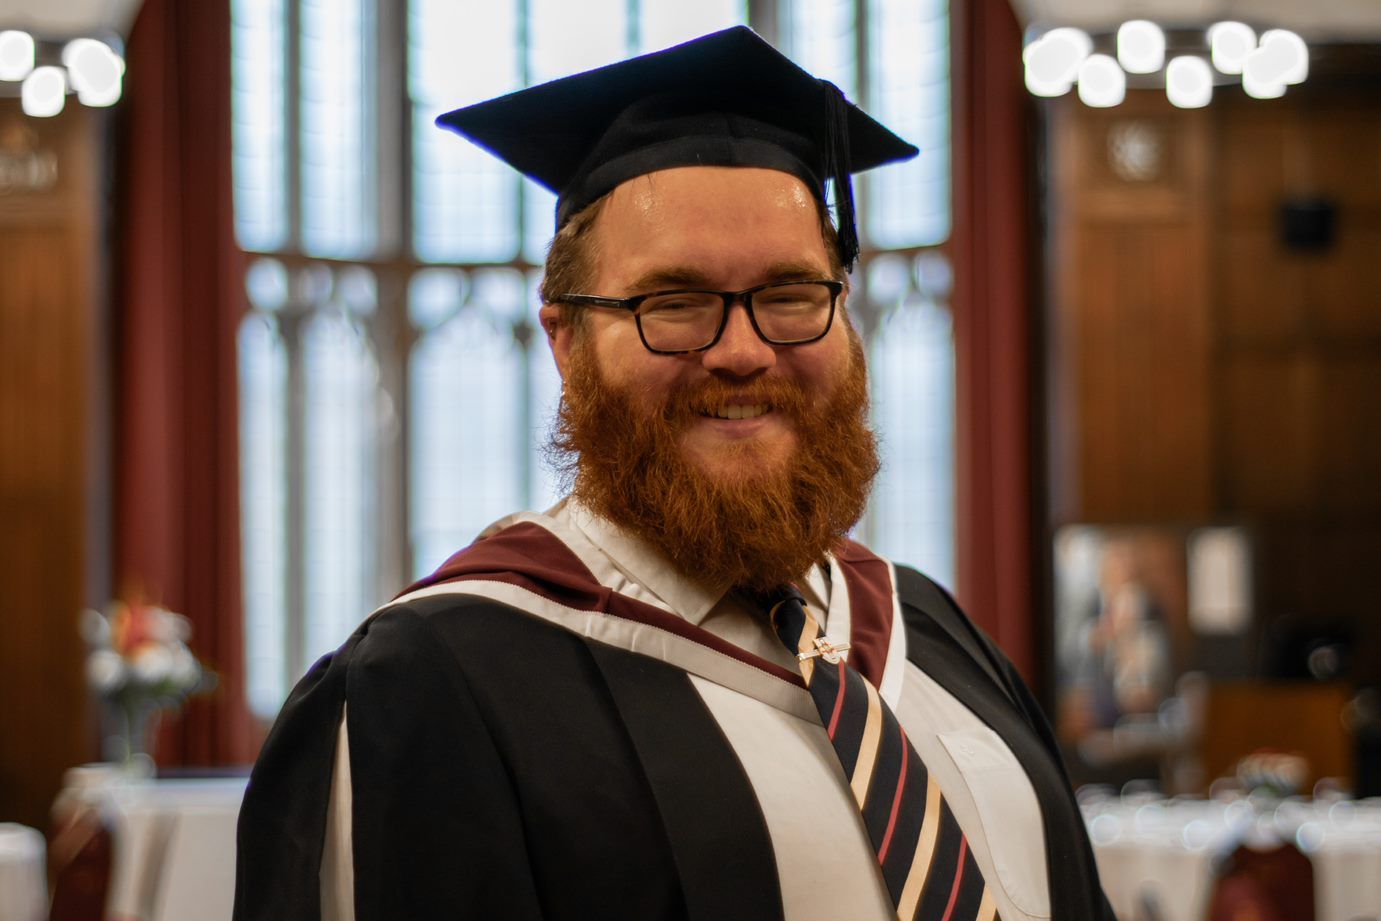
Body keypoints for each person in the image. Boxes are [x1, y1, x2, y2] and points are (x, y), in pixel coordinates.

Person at [233, 27, 1114, 921]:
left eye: (789, 294)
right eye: (674, 303)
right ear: (566, 343)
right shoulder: (430, 688)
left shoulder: (926, 626)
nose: (742, 350)